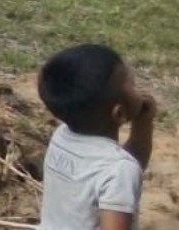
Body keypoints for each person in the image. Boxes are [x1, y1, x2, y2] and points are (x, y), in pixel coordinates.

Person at [36, 44, 156, 230]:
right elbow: (121, 173)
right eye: (132, 83)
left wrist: (143, 122)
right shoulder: (119, 169)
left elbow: (125, 168)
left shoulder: (61, 138)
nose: (139, 89)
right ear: (119, 113)